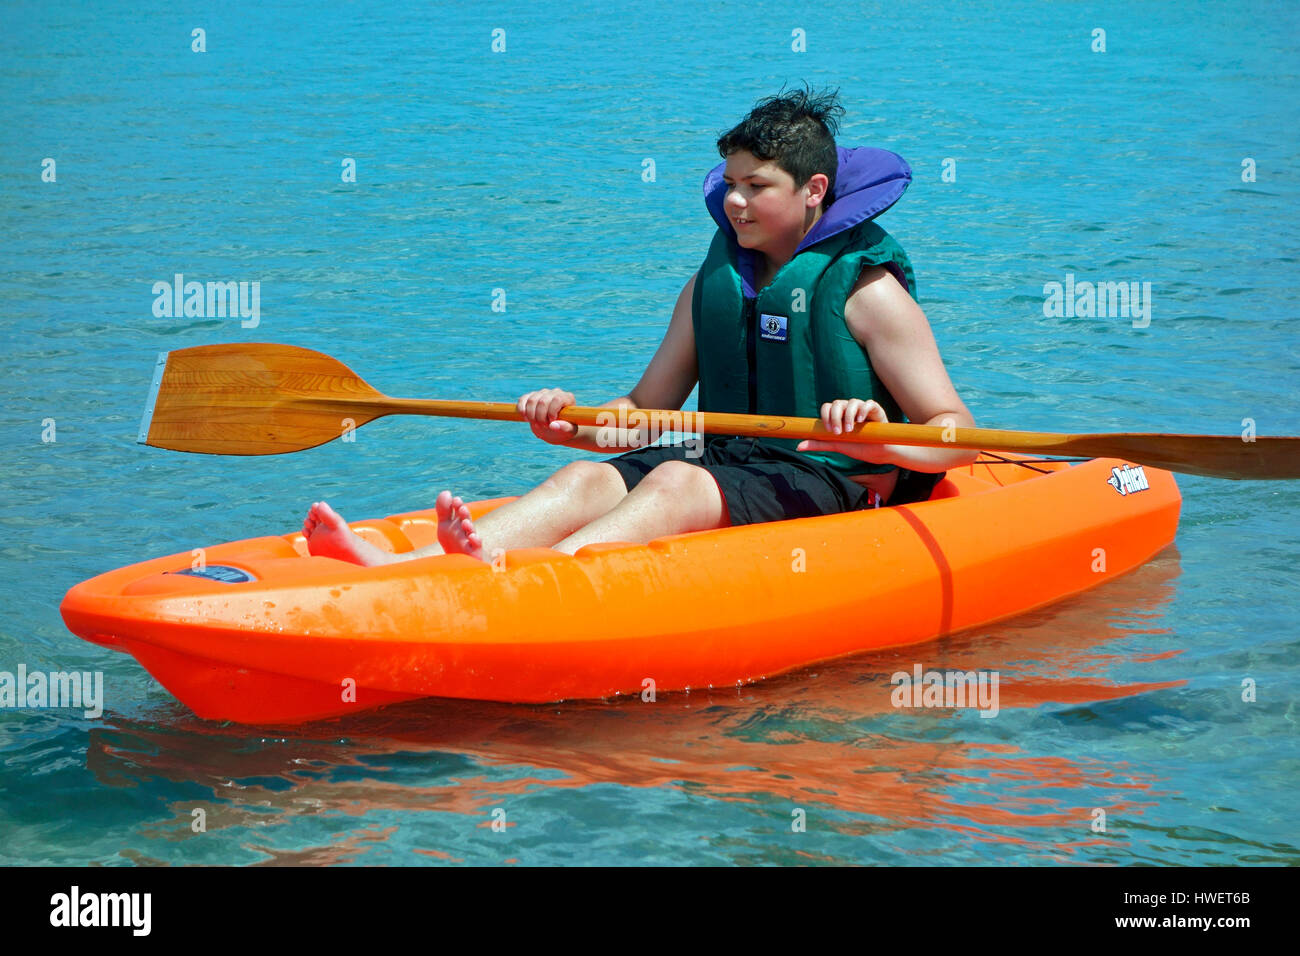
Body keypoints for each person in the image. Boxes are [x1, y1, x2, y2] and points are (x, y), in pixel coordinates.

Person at [303, 85, 977, 567]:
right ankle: (400, 567)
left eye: (758, 186)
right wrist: (575, 424)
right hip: (735, 461)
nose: (736, 202)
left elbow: (958, 435)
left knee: (677, 483)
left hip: (838, 482)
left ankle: (529, 579)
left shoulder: (868, 293)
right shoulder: (710, 288)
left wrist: (880, 443)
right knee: (584, 480)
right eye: (732, 183)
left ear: (815, 191)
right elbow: (645, 409)